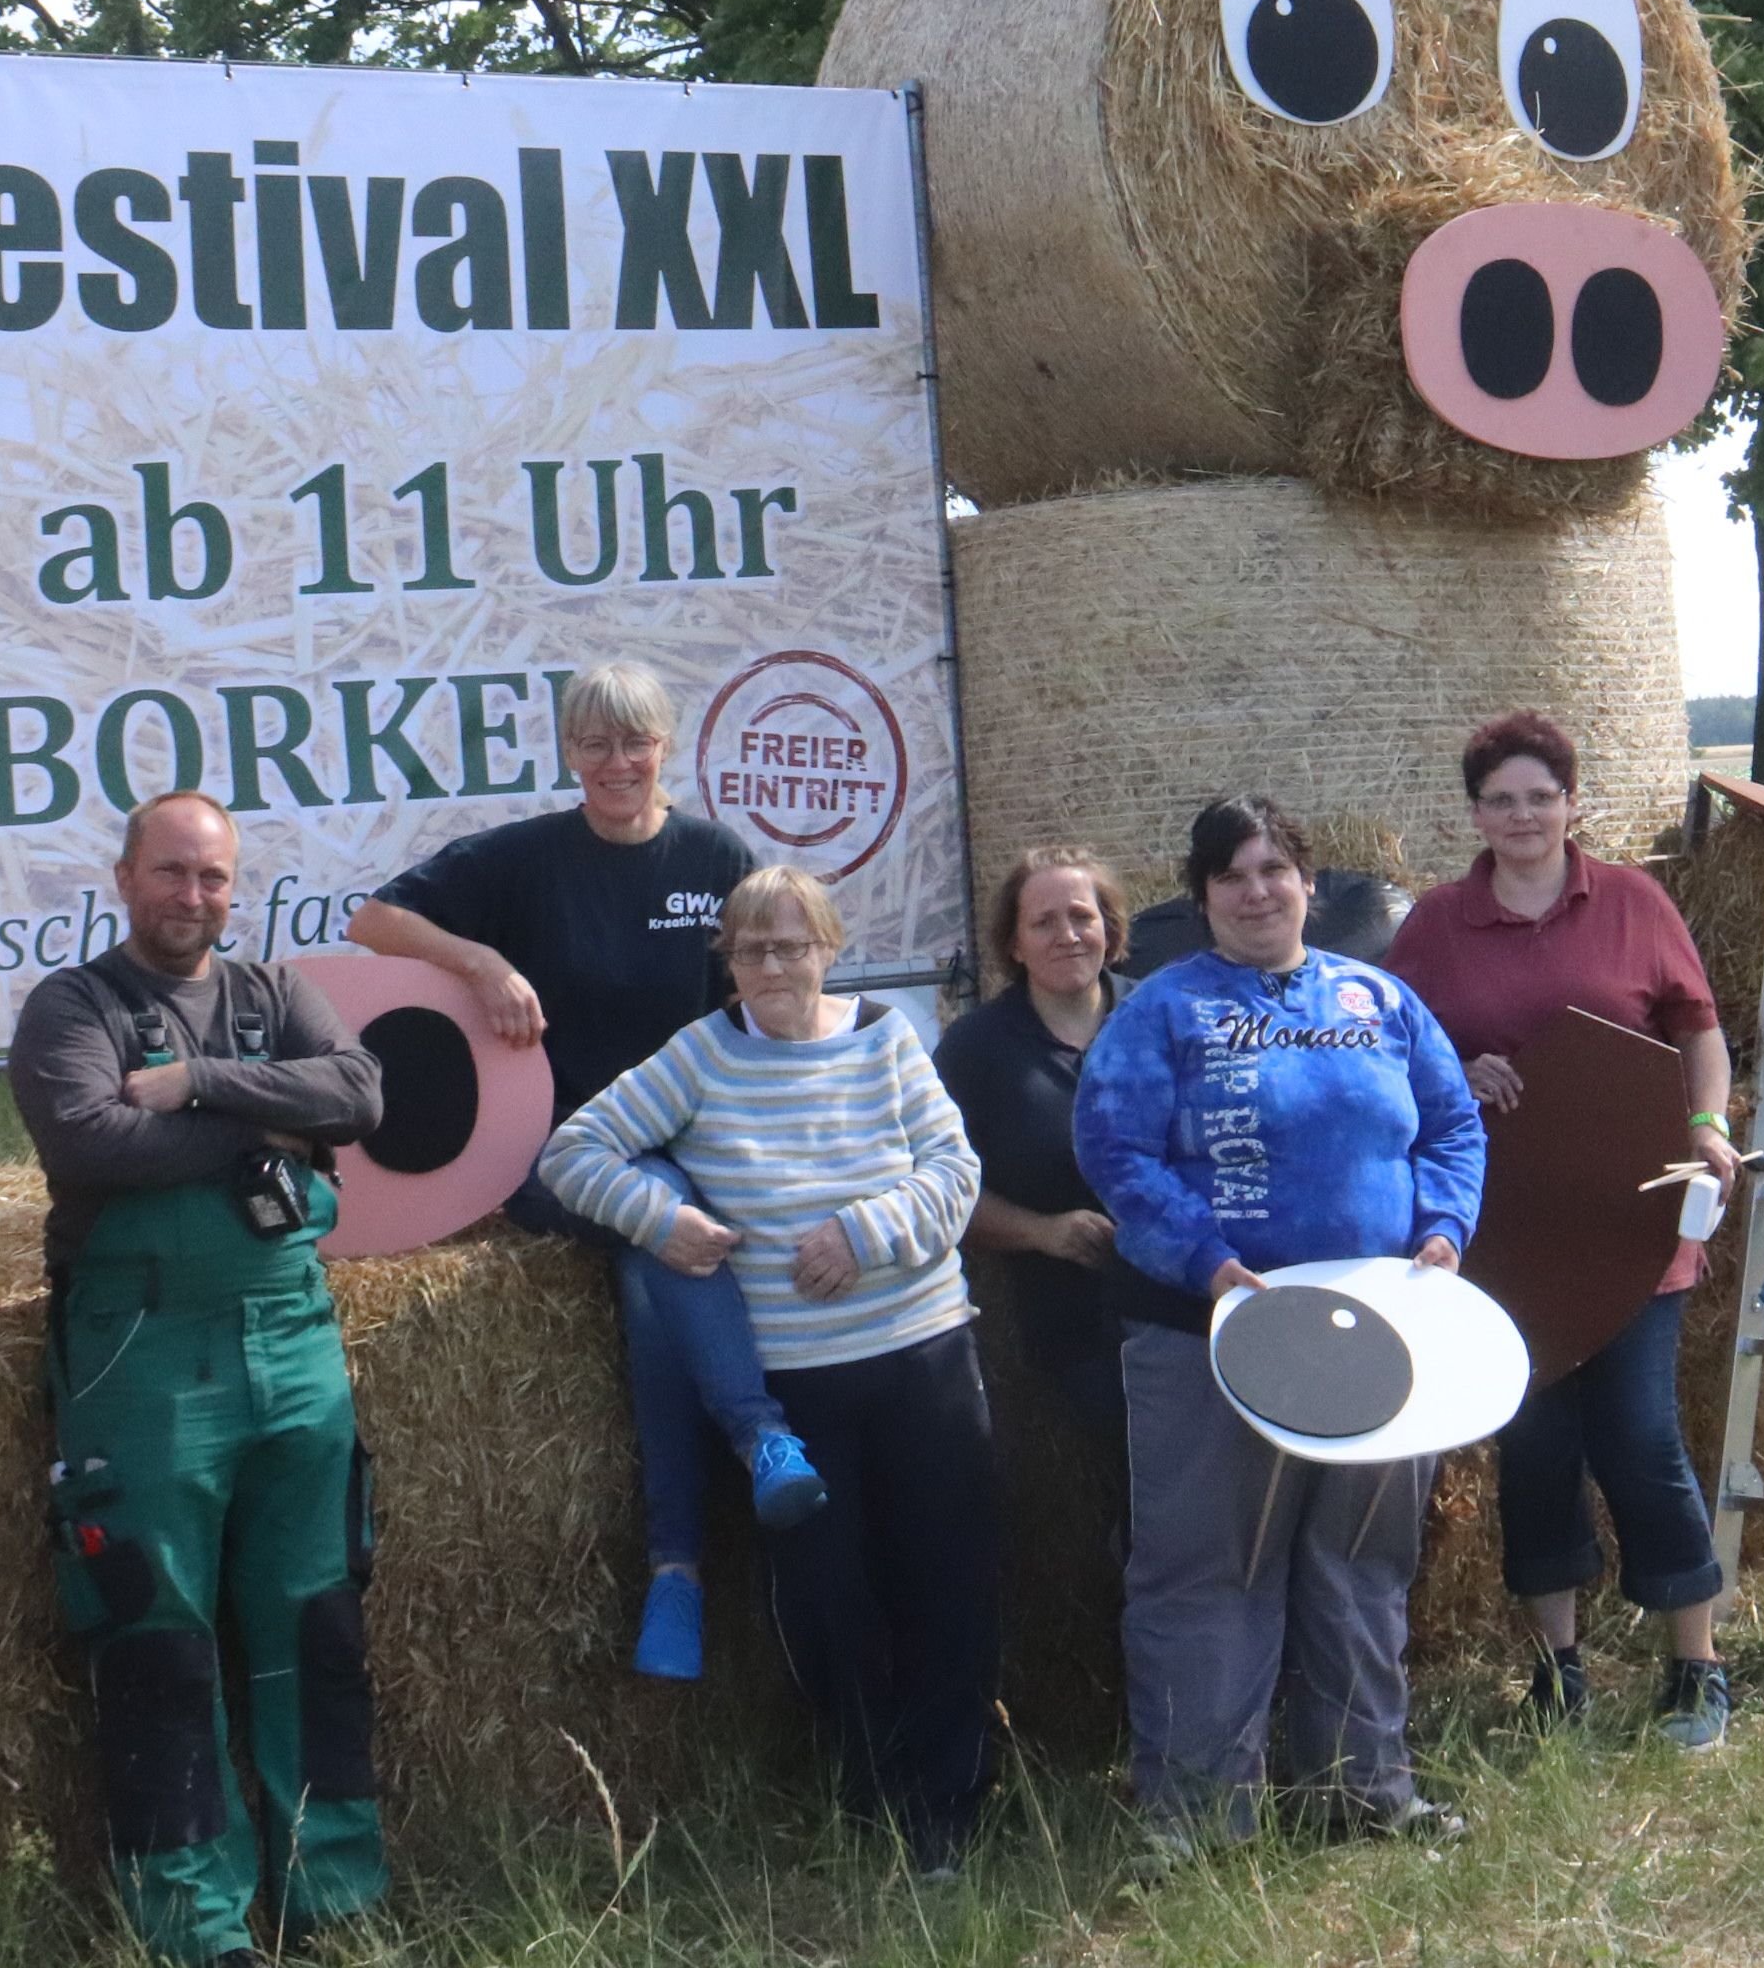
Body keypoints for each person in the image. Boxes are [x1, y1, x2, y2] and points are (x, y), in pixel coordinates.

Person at [352, 661, 809, 1682]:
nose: (616, 762)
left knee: (659, 1274)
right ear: (568, 752)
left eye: (633, 741)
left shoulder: (715, 856)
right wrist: (481, 962)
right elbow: (371, 922)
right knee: (665, 1231)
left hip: (679, 1154)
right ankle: (758, 1436)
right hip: (549, 1155)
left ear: (665, 746)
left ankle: (676, 1571)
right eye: (594, 743)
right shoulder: (525, 859)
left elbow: (752, 1004)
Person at [536, 866, 998, 1871]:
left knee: (947, 1577)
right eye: (751, 950)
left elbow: (956, 1175)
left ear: (830, 946)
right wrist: (661, 1219)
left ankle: (949, 1803)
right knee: (829, 1596)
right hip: (794, 1384)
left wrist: (865, 1230)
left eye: (792, 945)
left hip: (923, 1349)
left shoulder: (888, 1039)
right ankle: (872, 1797)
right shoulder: (703, 1055)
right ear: (730, 964)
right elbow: (573, 1152)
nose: (773, 966)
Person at [4, 790, 389, 1968]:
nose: (194, 897)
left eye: (214, 877)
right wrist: (273, 1120)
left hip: (293, 1339)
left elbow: (364, 1095)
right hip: (145, 1351)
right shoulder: (77, 1004)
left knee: (315, 1618)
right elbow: (89, 1142)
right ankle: (195, 1928)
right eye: (171, 873)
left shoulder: (273, 993)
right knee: (158, 1638)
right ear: (123, 877)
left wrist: (203, 1086)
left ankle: (334, 1901)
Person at [1071, 797, 1486, 1849]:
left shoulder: (1381, 999)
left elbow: (1450, 1123)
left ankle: (1364, 1794)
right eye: (1231, 875)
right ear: (1202, 895)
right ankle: (1202, 1822)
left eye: (1275, 869)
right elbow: (1118, 1154)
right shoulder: (1162, 1013)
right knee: (1212, 1569)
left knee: (1362, 1563)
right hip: (1212, 1331)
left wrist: (1442, 1228)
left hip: (1378, 1331)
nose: (1257, 890)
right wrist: (1206, 1261)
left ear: (1309, 882)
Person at [1381, 712, 1743, 1751]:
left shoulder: (1632, 900)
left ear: (1571, 803)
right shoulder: (1438, 925)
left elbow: (1698, 1028)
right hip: (1506, 1235)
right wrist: (1453, 1066)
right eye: (1502, 799)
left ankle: (1697, 1667)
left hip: (1632, 1223)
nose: (1524, 815)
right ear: (1475, 814)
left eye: (1541, 796)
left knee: (1638, 1434)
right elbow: (1393, 1050)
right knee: (1533, 1443)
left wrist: (1708, 1123)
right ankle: (1556, 1669)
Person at [934, 844, 1133, 1452]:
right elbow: (938, 1190)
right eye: (1043, 922)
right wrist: (1042, 1232)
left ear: (1110, 928)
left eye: (1082, 915)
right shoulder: (974, 1051)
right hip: (1075, 1323)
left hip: (1190, 1300)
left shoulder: (1162, 1018)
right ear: (1014, 944)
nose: (1067, 935)